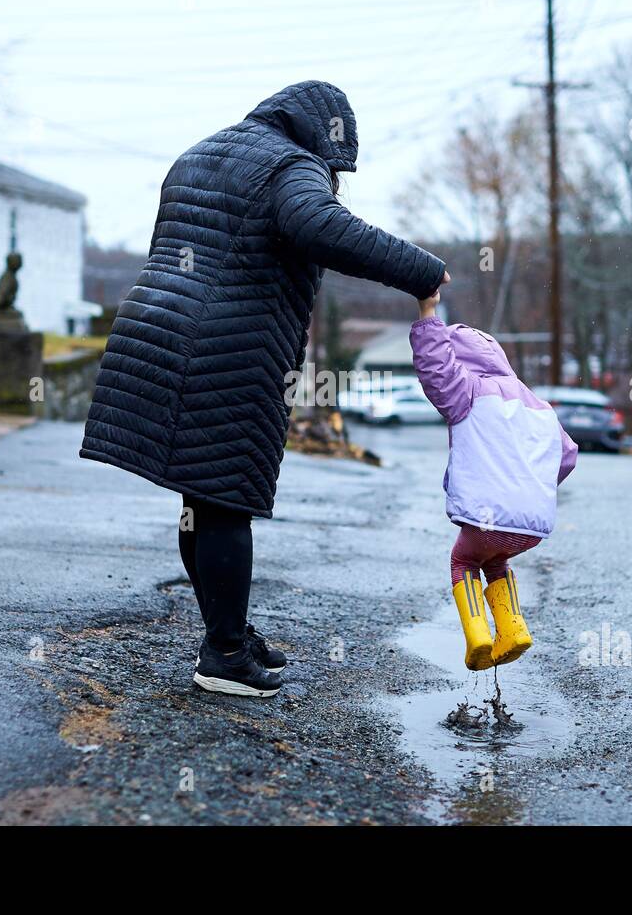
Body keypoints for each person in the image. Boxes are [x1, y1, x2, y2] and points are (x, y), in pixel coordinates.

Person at [81, 81, 448, 698]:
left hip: (154, 331)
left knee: (201, 496)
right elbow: (320, 226)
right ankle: (223, 657)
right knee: (226, 497)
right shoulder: (288, 164)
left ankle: (227, 633)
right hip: (224, 347)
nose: (332, 175)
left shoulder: (204, 151)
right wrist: (421, 271)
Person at [410, 287, 578, 671]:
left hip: (486, 520)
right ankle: (513, 629)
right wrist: (531, 488)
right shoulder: (537, 405)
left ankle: (478, 639)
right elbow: (567, 454)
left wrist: (427, 315)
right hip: (530, 529)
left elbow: (436, 370)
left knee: (463, 560)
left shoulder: (467, 391)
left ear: (462, 362)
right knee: (496, 561)